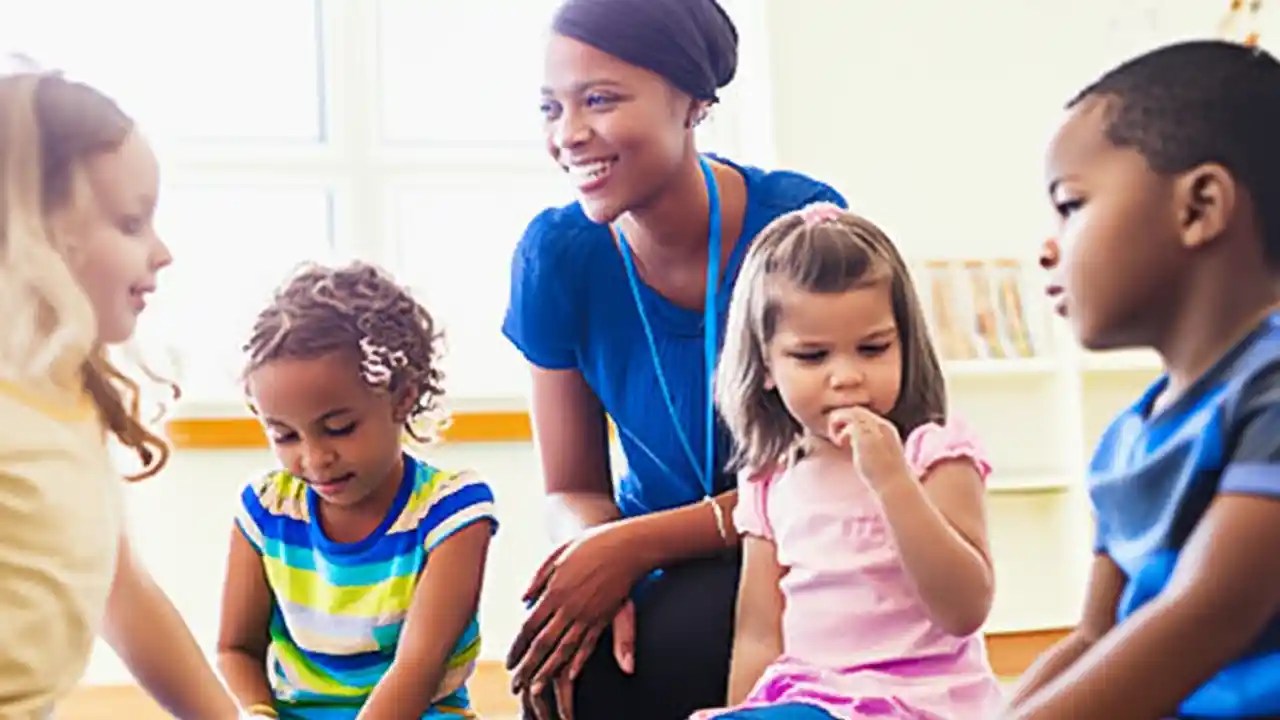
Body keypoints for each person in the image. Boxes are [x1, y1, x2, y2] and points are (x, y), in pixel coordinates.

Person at [500, 0, 847, 717]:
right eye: (549, 107)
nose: (569, 135)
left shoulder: (800, 228)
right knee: (557, 670)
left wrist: (629, 549)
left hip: (799, 546)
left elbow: (828, 470)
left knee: (691, 643)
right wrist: (596, 561)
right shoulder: (557, 256)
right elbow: (570, 486)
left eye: (599, 100)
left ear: (693, 102)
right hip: (652, 555)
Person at [1008, 40, 1280, 719]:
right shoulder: (1130, 435)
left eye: (1069, 206)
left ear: (1199, 207)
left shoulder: (1270, 393)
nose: (1047, 246)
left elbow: (1207, 612)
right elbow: (1097, 637)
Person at [689, 202, 1004, 719]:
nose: (847, 377)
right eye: (813, 357)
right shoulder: (770, 478)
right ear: (765, 364)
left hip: (920, 702)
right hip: (810, 697)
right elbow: (758, 633)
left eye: (873, 349)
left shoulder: (935, 452)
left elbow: (965, 609)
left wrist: (891, 480)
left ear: (905, 342)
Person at [0, 70, 240, 717]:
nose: (161, 252)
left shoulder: (68, 394)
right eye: (131, 222)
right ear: (34, 235)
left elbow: (120, 586)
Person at [215, 262, 498, 719]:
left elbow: (417, 669)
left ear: (402, 395)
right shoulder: (265, 509)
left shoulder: (452, 511)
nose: (314, 458)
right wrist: (257, 713)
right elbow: (236, 648)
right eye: (285, 436)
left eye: (339, 428)